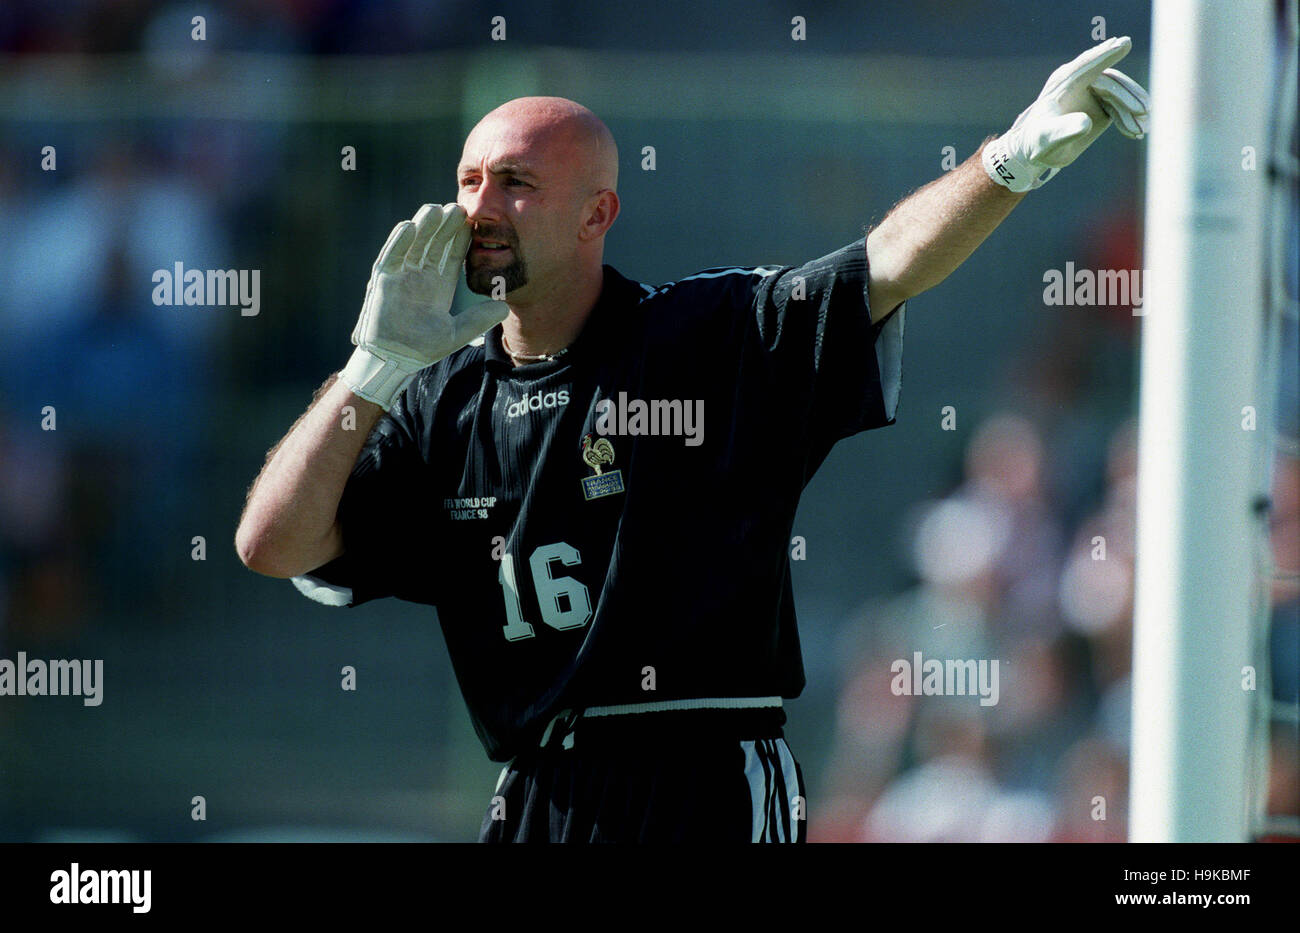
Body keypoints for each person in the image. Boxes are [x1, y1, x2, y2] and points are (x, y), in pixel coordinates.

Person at [235, 37, 1149, 842]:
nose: (482, 206)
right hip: (540, 791)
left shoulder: (705, 336)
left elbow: (885, 264)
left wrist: (1010, 162)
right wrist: (372, 365)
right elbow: (270, 544)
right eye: (471, 179)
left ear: (597, 215)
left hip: (705, 776)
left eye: (517, 182)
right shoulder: (438, 397)